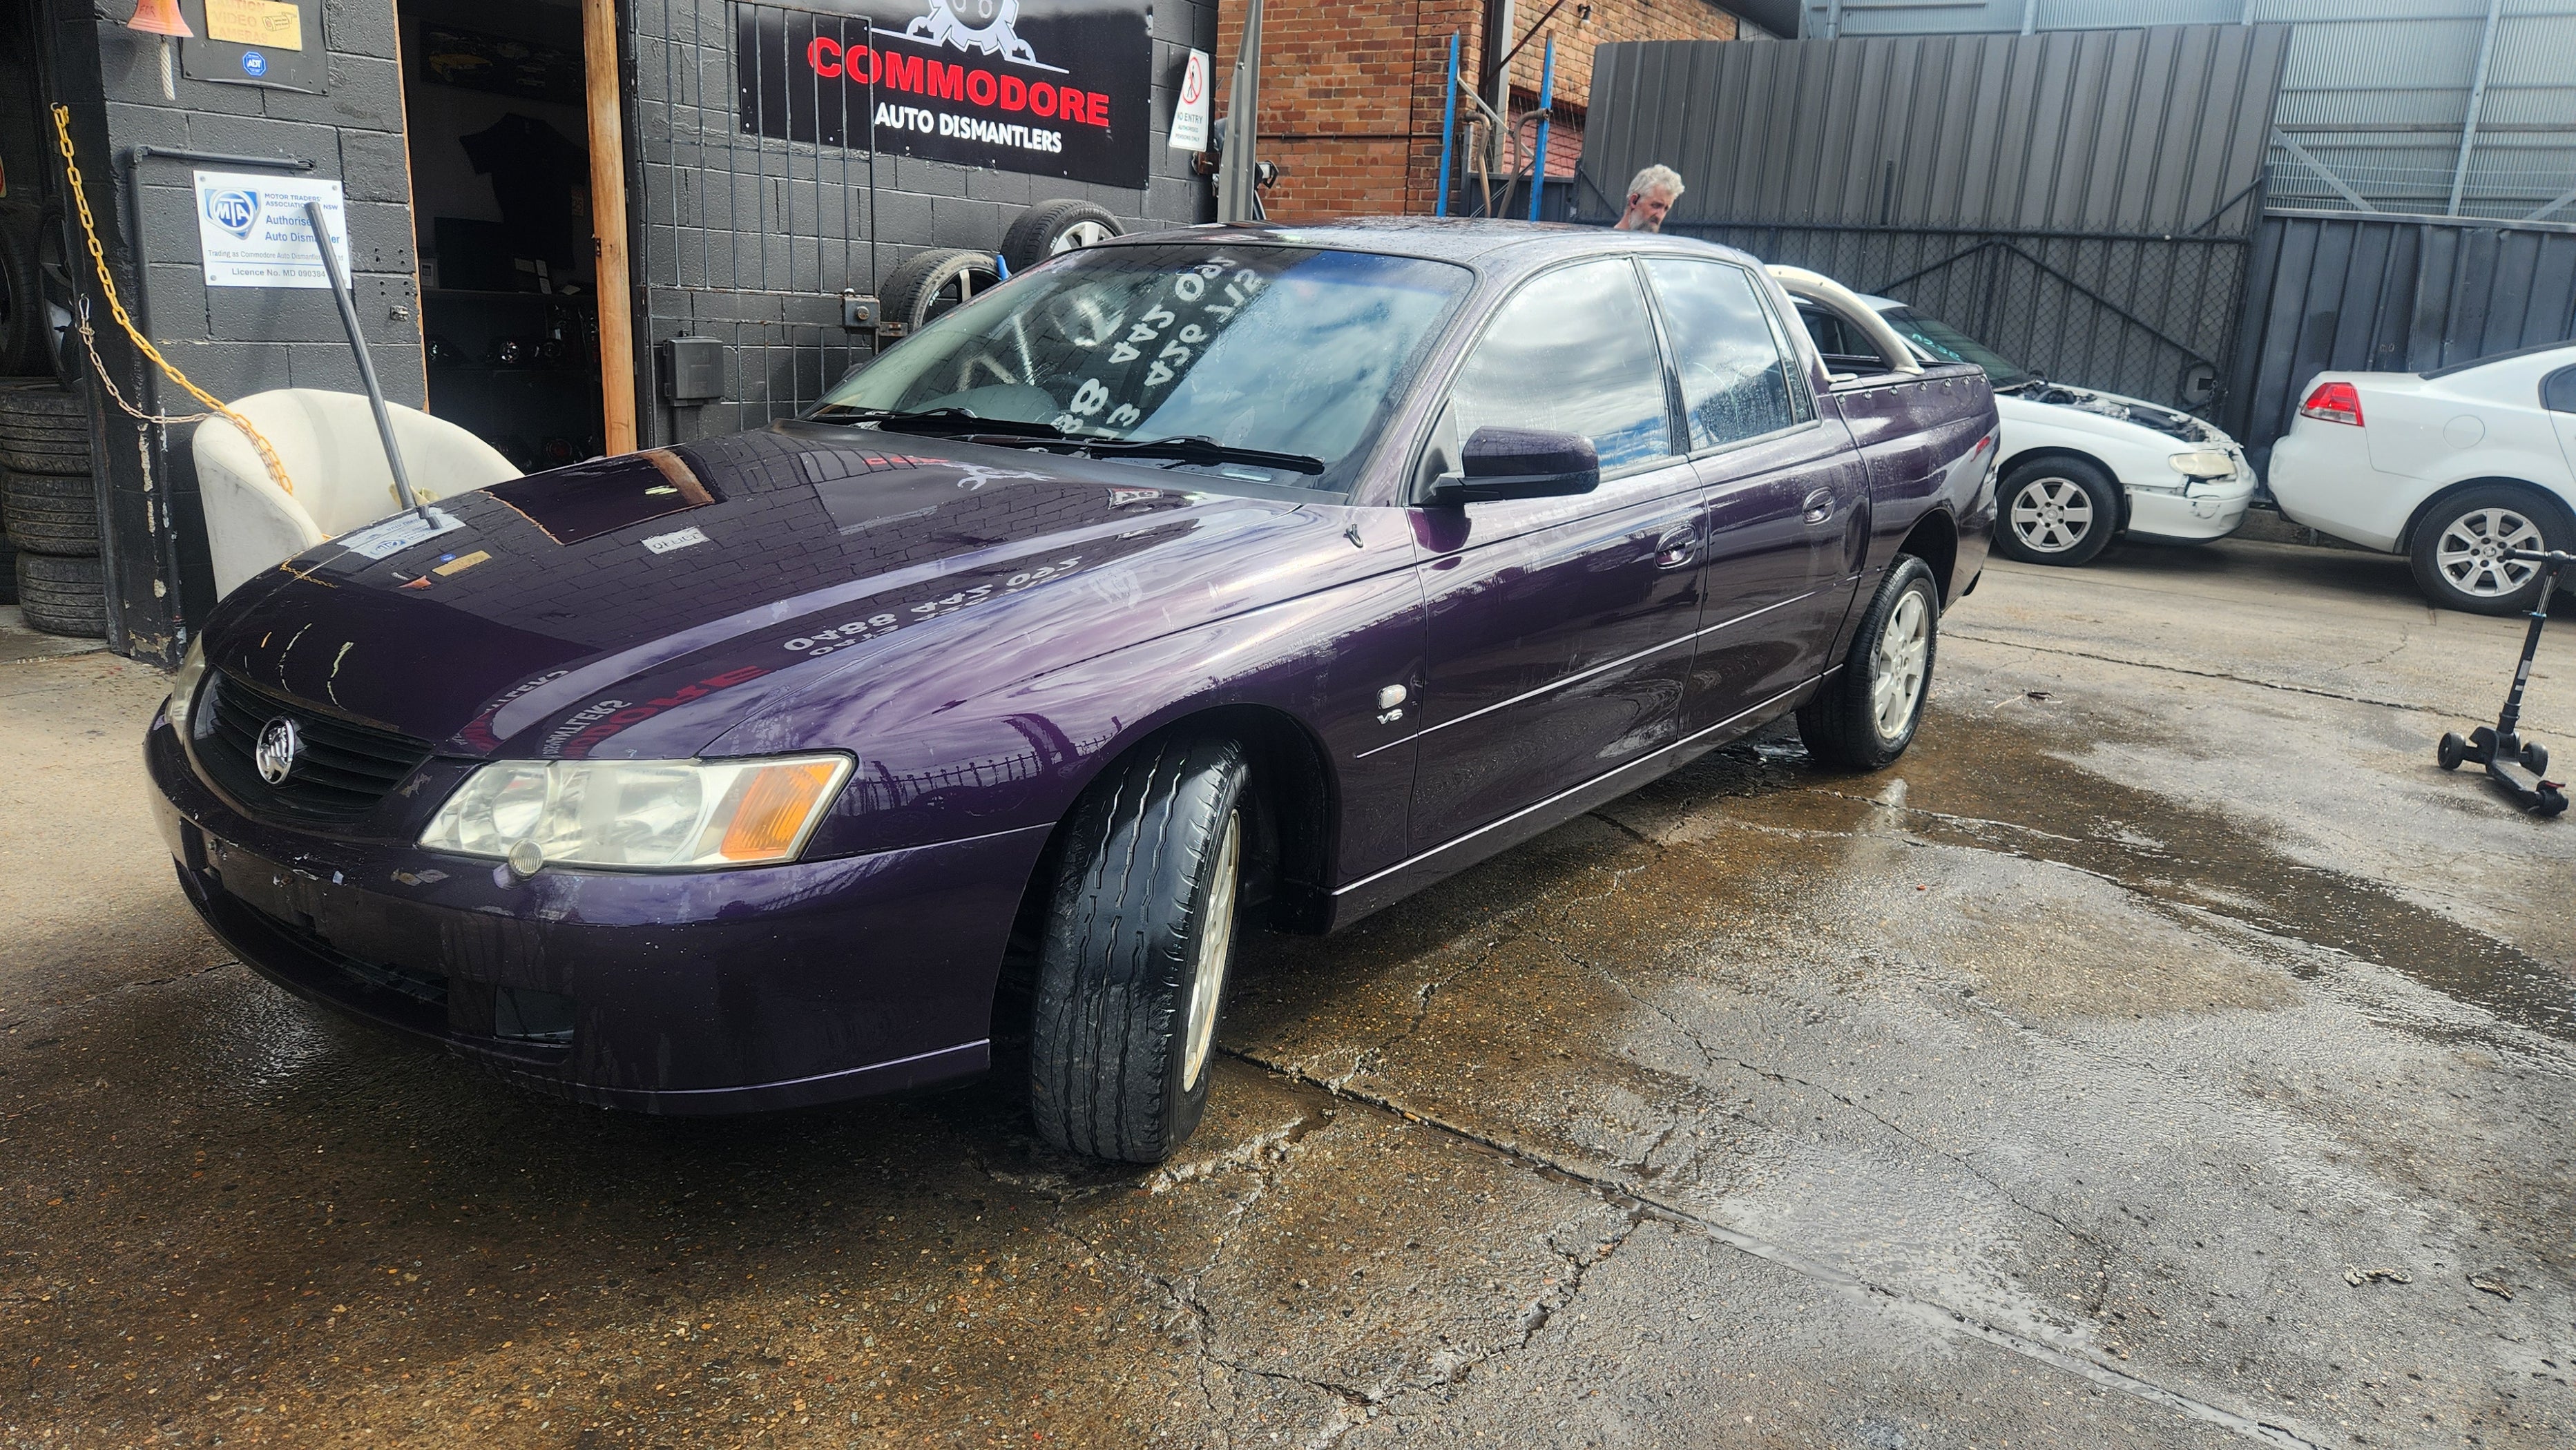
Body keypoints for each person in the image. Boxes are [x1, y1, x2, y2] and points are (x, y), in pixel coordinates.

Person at [1614, 164, 1684, 233]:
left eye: (1666, 209)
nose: (1660, 216)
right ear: (1634, 201)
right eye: (1656, 206)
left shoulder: (1661, 244)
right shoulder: (1610, 243)